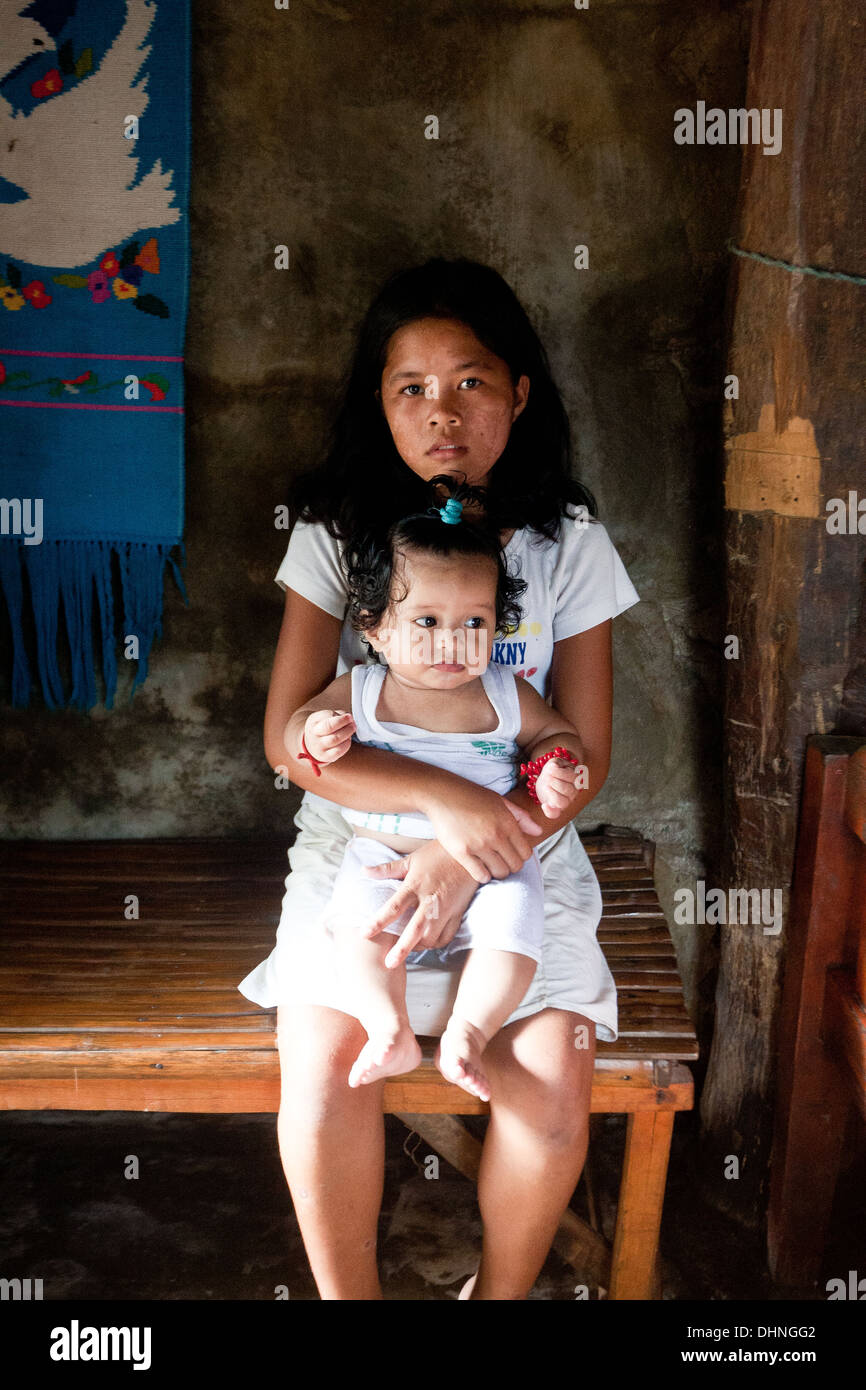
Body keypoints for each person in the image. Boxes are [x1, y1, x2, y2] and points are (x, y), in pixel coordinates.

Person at [238, 257, 640, 1300]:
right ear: (379, 405)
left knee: (553, 1080)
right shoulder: (336, 533)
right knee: (324, 1065)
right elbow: (291, 741)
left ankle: (496, 1299)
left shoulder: (566, 541)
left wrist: (478, 842)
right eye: (408, 388)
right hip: (359, 843)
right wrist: (444, 814)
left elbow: (581, 754)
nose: (439, 412)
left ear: (518, 392)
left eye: (468, 381)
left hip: (520, 855)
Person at [290, 484, 587, 1102]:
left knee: (514, 935)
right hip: (381, 861)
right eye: (427, 621)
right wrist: (317, 732)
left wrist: (556, 764)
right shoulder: (363, 690)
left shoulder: (506, 694)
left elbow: (557, 735)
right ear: (372, 628)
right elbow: (295, 734)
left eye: (473, 623)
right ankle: (389, 1028)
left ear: (496, 626)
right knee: (358, 935)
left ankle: (469, 1033)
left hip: (492, 863)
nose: (452, 641)